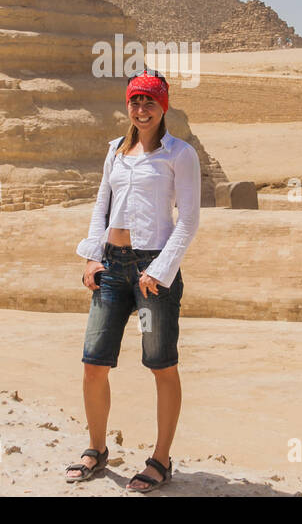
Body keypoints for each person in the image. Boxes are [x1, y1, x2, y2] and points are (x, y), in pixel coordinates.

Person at [63, 69, 201, 492]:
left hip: (152, 274)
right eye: (136, 101)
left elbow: (189, 220)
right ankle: (96, 449)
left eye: (150, 102)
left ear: (164, 107)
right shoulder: (115, 152)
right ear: (128, 106)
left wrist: (159, 271)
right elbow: (101, 206)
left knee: (161, 365)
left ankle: (160, 460)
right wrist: (91, 256)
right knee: (93, 362)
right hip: (111, 269)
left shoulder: (180, 154)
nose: (142, 109)